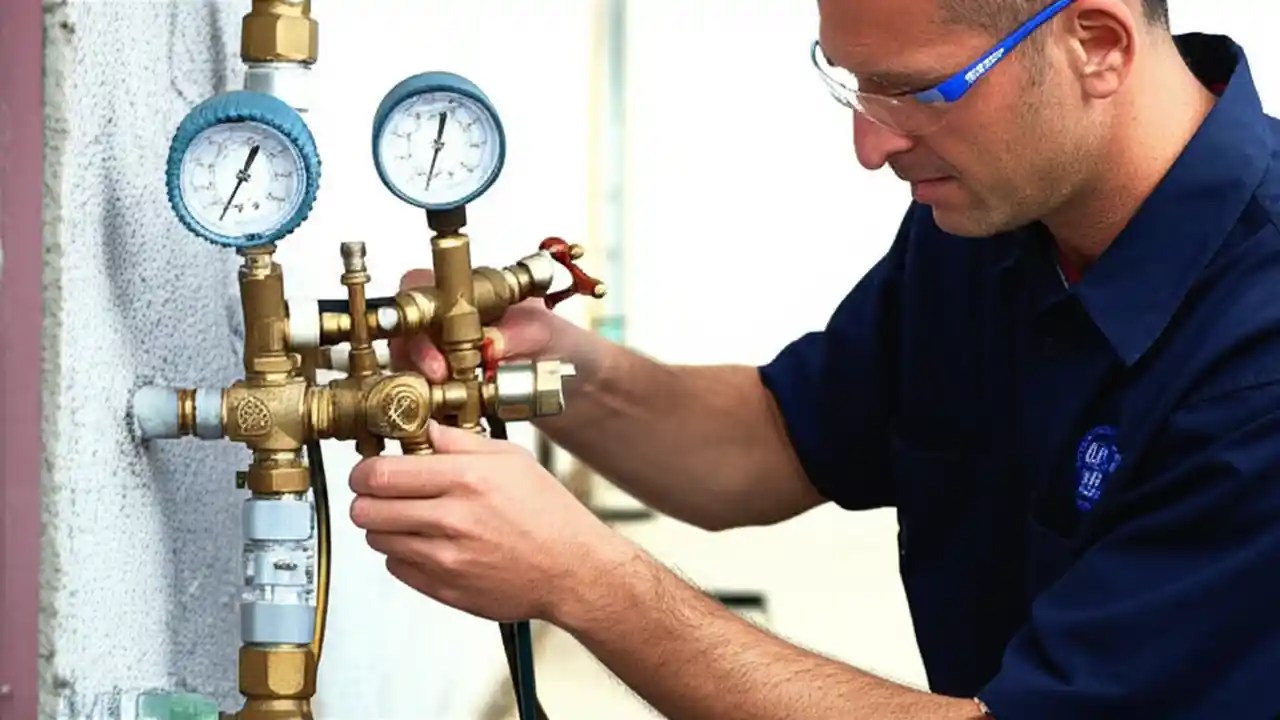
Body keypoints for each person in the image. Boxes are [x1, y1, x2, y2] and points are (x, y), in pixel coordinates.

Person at [347, 0, 1280, 716]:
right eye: (850, 84)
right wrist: (554, 368)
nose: (871, 146)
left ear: (1097, 46)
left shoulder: (1258, 362)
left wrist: (584, 580)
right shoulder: (995, 217)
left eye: (915, 92)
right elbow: (771, 442)